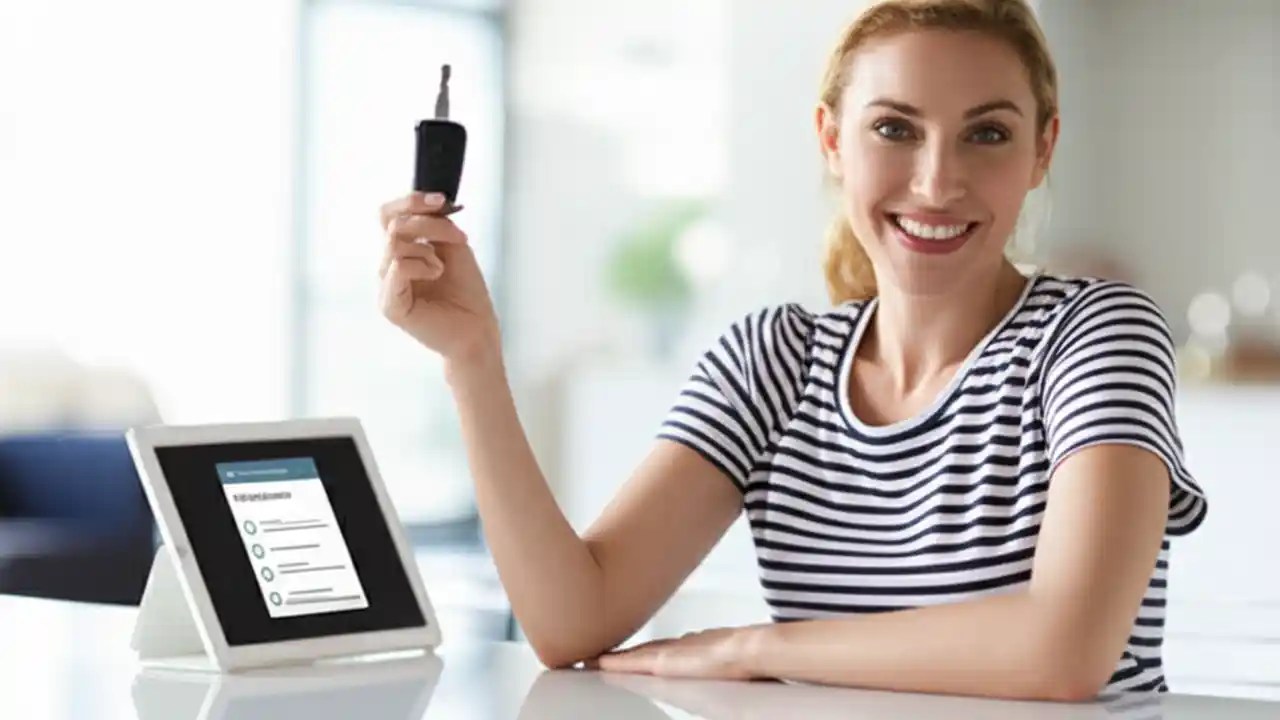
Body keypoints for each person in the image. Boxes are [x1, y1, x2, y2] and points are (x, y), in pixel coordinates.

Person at [375, 0, 1207, 702]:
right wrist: (472, 360)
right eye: (894, 128)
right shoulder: (773, 360)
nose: (936, 181)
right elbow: (572, 620)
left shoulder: (1098, 334)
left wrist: (760, 648)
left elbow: (1065, 649)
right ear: (832, 139)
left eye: (986, 134)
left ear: (1042, 151)